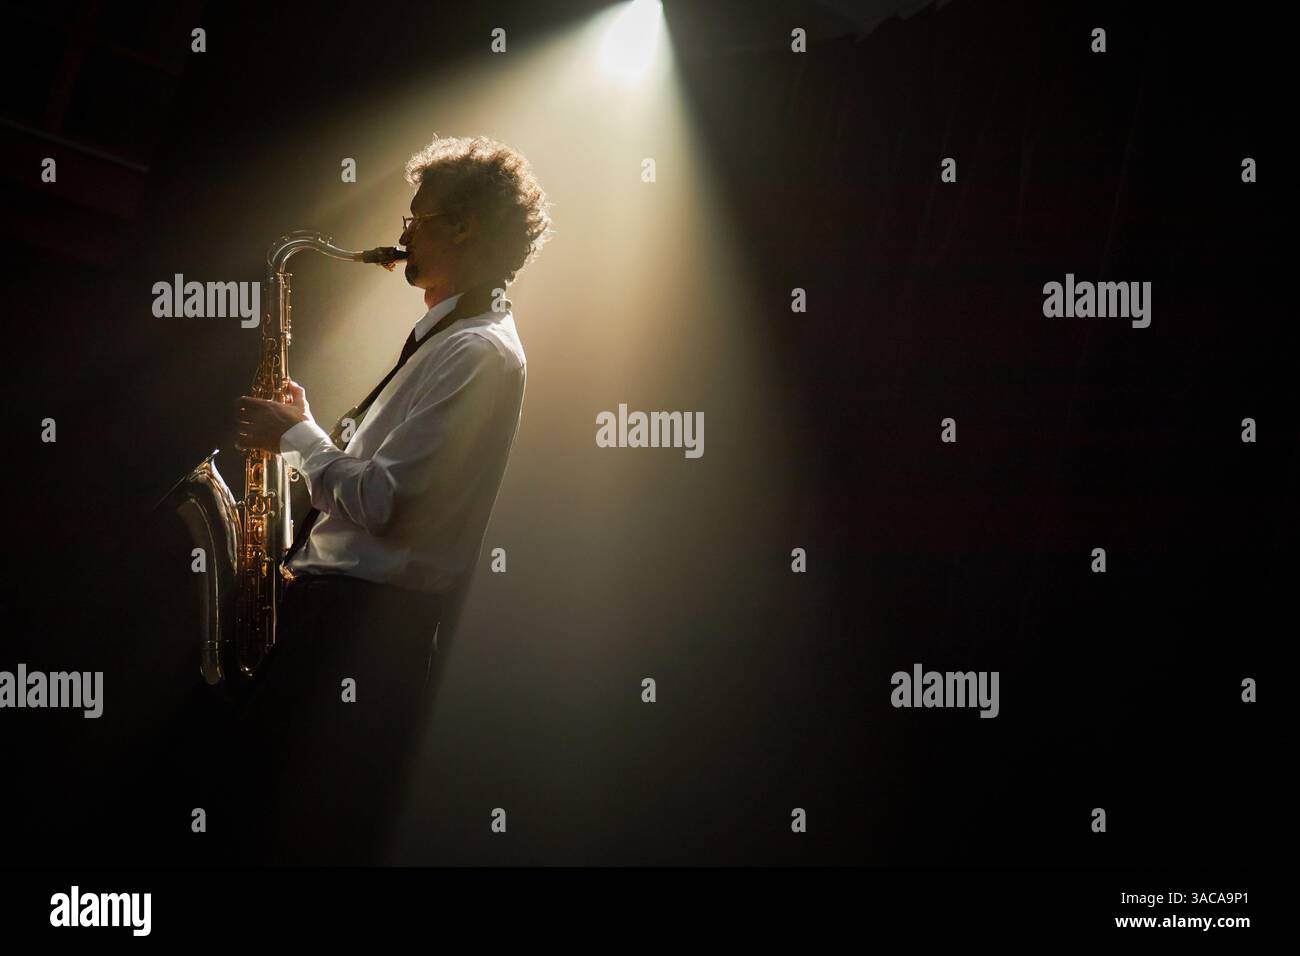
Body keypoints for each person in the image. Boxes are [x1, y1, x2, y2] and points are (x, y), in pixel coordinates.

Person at [227, 134, 552, 863]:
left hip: (360, 631)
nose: (402, 233)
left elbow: (386, 505)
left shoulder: (477, 351)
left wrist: (300, 435)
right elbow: (371, 483)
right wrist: (308, 435)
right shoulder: (447, 338)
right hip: (339, 618)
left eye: (419, 216)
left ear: (465, 226)